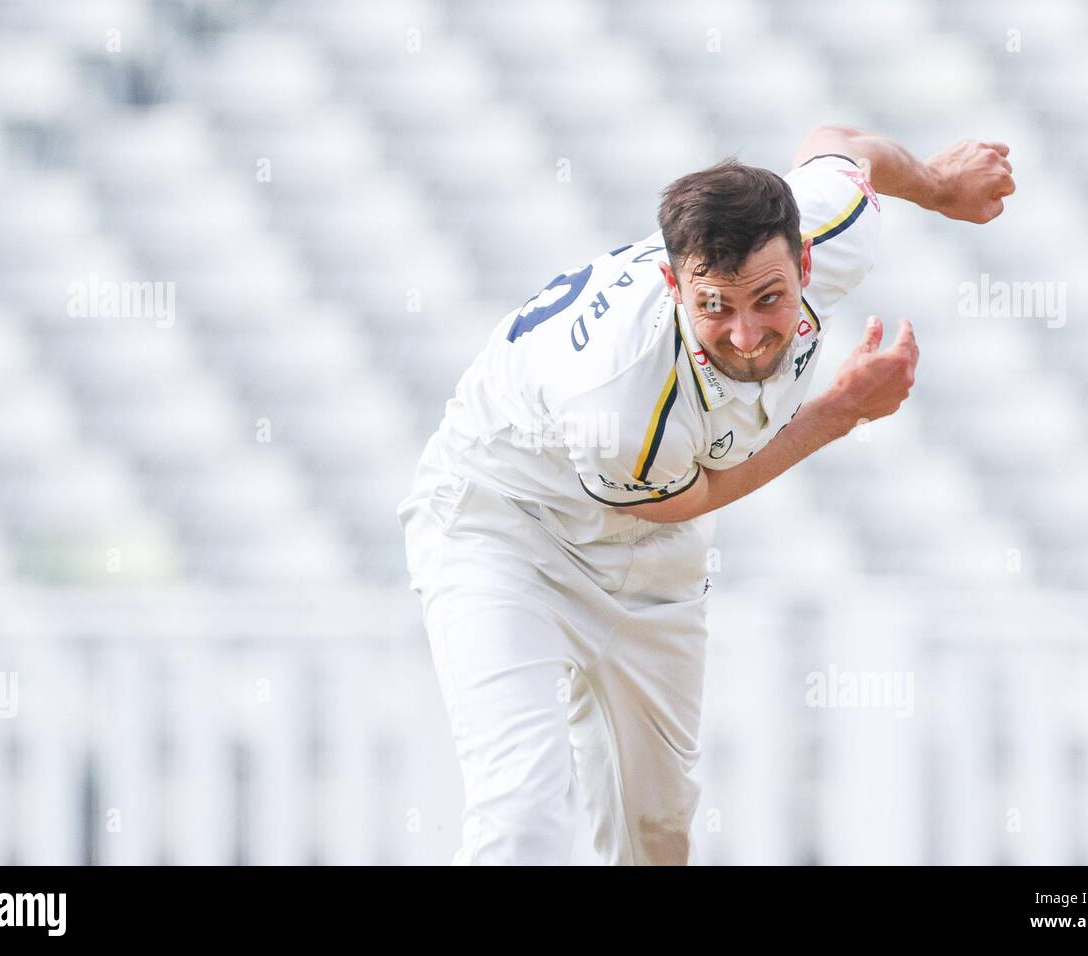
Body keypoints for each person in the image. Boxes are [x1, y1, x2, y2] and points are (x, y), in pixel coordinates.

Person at [398, 125, 1015, 865]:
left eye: (768, 298)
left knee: (655, 833)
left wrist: (938, 187)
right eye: (716, 305)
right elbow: (678, 499)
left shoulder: (826, 223)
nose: (749, 334)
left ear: (807, 258)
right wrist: (841, 412)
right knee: (522, 811)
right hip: (502, 529)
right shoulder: (618, 396)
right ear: (673, 285)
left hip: (647, 542)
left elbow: (844, 143)